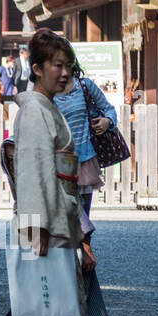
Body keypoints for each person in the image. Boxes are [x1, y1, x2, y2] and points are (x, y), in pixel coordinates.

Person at [11, 27, 90, 316]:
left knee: (55, 310)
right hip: (45, 225)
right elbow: (31, 176)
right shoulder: (36, 113)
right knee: (47, 310)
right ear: (37, 68)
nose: (65, 73)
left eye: (68, 66)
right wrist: (35, 228)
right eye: (57, 65)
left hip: (56, 218)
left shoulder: (47, 108)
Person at [54, 60, 117, 230]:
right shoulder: (45, 90)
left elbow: (109, 109)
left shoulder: (84, 85)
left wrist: (107, 121)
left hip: (84, 158)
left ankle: (82, 250)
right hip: (56, 161)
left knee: (83, 218)